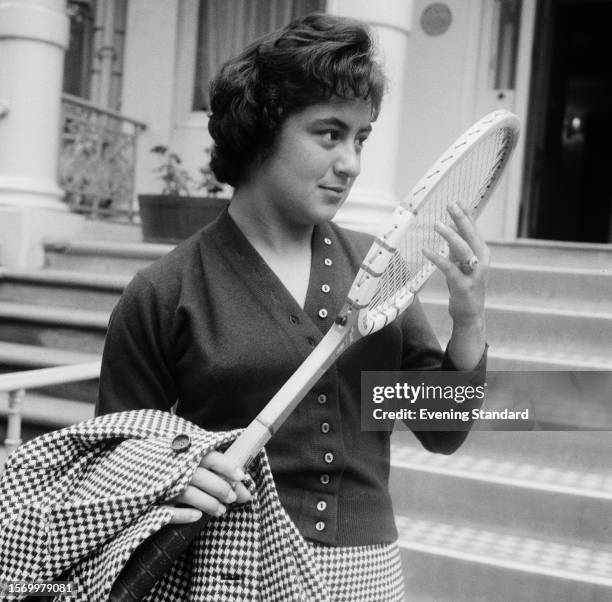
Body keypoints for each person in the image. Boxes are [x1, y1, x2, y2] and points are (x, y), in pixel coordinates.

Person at [96, 12, 488, 600]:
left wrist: (469, 319)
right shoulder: (164, 290)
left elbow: (441, 430)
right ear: (261, 130)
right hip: (228, 574)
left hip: (366, 577)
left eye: (361, 138)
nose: (351, 162)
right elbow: (113, 459)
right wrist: (173, 475)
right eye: (329, 134)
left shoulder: (381, 271)